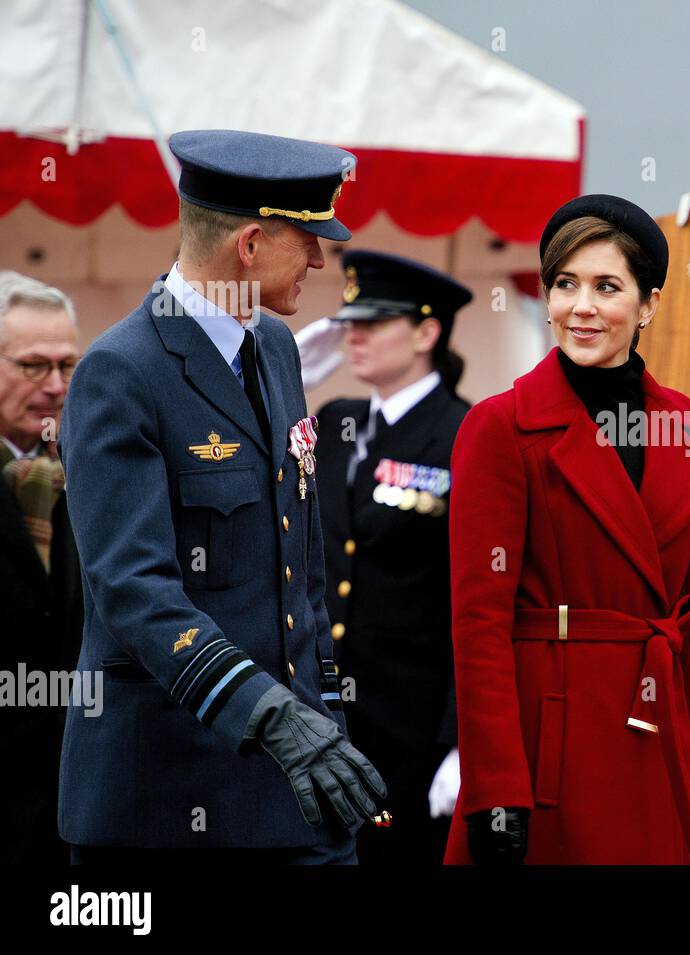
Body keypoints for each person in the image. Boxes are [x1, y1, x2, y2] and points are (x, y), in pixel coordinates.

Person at [57, 129, 386, 863]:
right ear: (250, 243)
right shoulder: (122, 370)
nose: (320, 259)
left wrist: (326, 722)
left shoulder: (274, 347)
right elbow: (134, 589)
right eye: (308, 239)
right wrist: (271, 716)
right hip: (167, 803)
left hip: (297, 793)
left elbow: (302, 577)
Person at [444, 194, 690, 865]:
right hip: (546, 751)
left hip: (654, 749)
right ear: (544, 299)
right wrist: (494, 787)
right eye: (565, 284)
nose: (582, 307)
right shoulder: (499, 428)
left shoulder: (689, 431)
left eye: (607, 286)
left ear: (649, 305)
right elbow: (478, 625)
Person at [301, 250, 471, 864]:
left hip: (412, 728)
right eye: (351, 320)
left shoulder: (466, 435)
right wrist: (282, 377)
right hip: (320, 722)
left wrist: (462, 742)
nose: (354, 334)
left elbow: (474, 603)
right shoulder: (335, 420)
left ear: (427, 332)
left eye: (375, 322)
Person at [0, 272, 82, 865]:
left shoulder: (96, 468)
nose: (55, 386)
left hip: (73, 807)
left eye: (67, 365)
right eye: (32, 366)